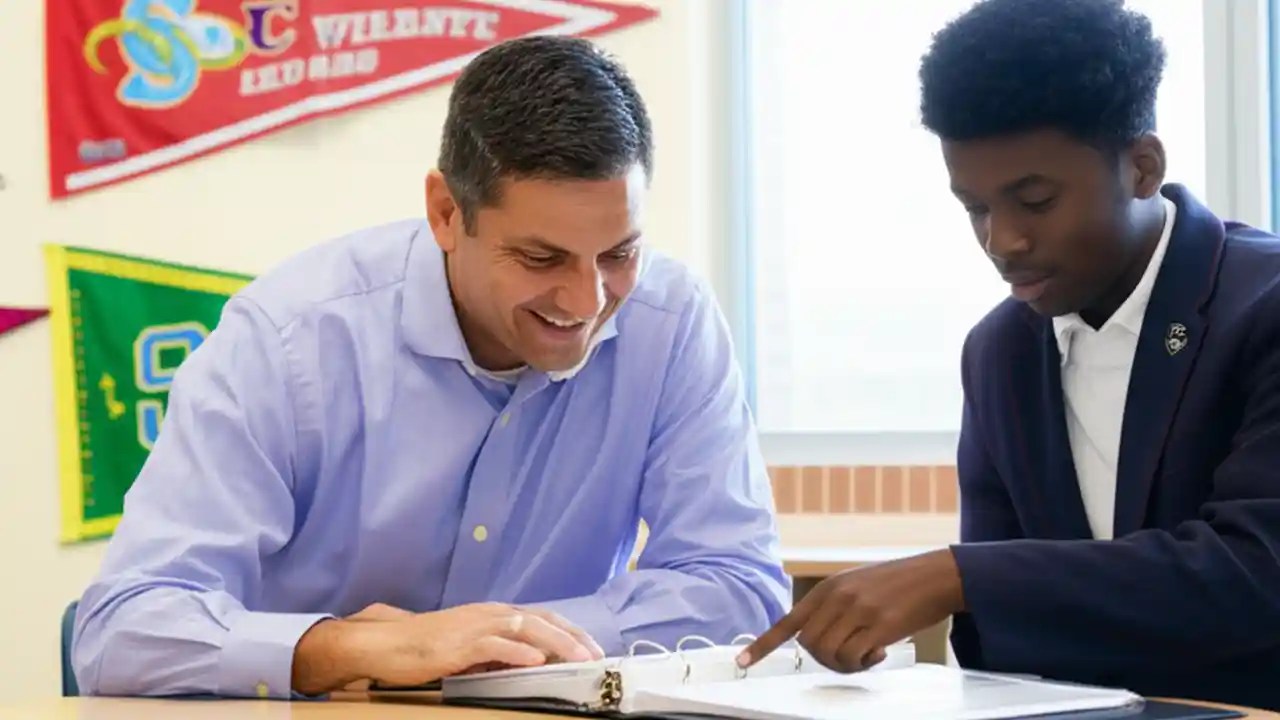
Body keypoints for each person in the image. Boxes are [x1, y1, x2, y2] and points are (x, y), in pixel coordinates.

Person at [72, 35, 790, 699]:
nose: (588, 300)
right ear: (446, 212)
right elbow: (123, 630)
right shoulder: (289, 338)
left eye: (619, 253)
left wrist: (491, 643)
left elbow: (738, 589)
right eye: (541, 258)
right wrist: (347, 649)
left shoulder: (672, 322)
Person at [739, 0, 1280, 709]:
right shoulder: (999, 353)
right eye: (975, 208)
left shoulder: (1262, 307)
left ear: (1142, 167)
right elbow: (1002, 646)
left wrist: (957, 578)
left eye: (1034, 200)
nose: (1001, 241)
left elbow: (1254, 576)